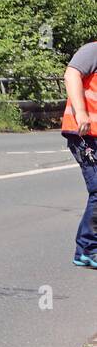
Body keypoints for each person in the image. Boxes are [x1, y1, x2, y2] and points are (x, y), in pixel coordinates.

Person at [61, 40, 97, 269]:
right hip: (85, 132)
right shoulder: (93, 50)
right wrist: (81, 111)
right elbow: (71, 74)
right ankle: (87, 249)